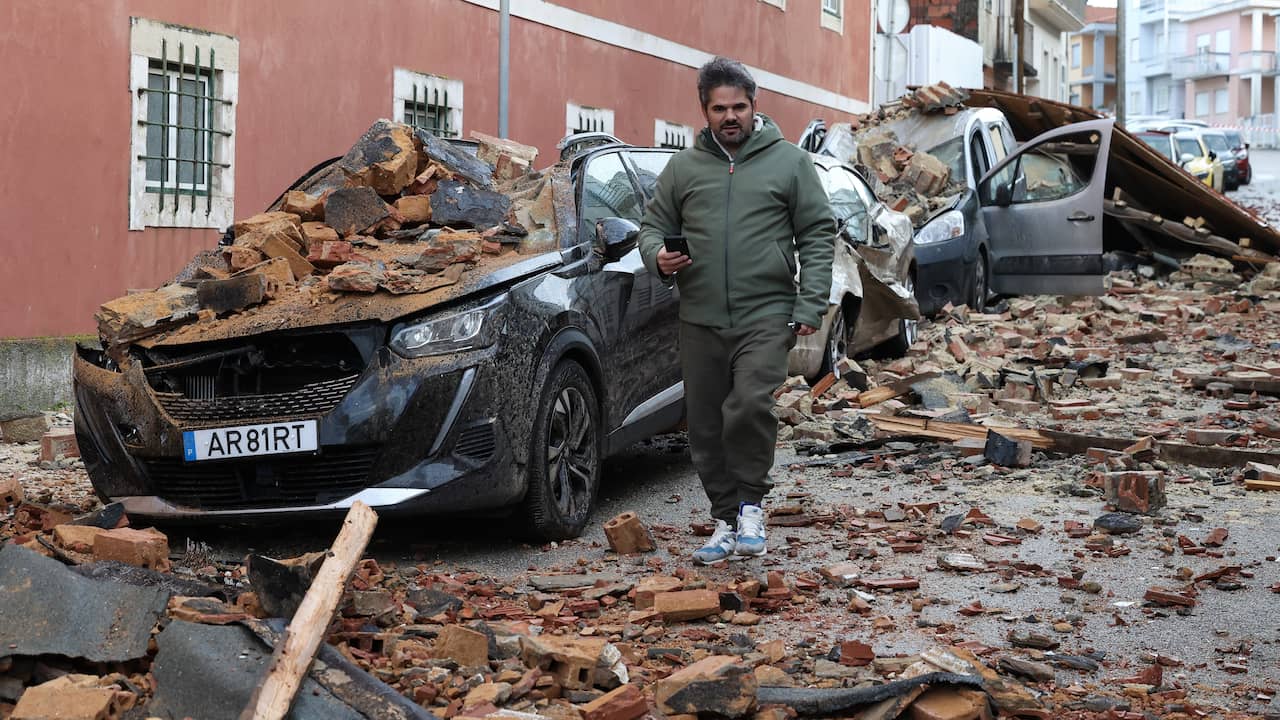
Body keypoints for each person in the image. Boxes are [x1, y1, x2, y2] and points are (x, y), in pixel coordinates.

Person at [637, 57, 835, 564]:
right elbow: (652, 227)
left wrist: (809, 300)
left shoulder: (790, 163)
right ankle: (724, 520)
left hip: (766, 313)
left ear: (755, 106)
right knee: (703, 425)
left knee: (748, 404)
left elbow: (816, 233)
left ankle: (751, 505)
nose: (731, 116)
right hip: (699, 315)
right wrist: (658, 257)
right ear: (703, 110)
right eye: (719, 108)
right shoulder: (683, 168)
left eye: (739, 107)